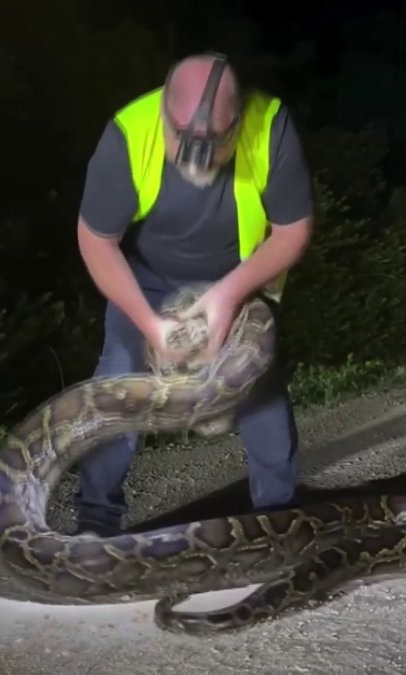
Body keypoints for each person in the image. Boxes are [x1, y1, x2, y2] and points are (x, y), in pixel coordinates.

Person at [72, 52, 314, 537]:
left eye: (214, 145)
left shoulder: (271, 125)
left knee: (258, 382)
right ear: (164, 113)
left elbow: (292, 230)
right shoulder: (128, 132)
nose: (196, 160)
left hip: (236, 279)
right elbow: (96, 239)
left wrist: (229, 295)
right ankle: (96, 523)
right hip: (146, 282)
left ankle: (280, 515)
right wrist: (147, 323)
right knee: (119, 379)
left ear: (237, 122)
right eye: (182, 142)